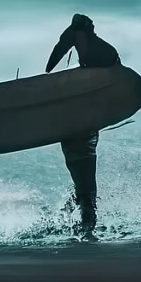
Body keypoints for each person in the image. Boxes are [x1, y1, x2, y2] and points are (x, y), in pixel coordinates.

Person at [45, 13, 120, 235]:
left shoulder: (102, 50)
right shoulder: (84, 40)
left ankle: (83, 223)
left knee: (84, 178)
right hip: (80, 124)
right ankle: (75, 219)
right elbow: (59, 51)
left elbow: (115, 85)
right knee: (83, 179)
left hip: (85, 125)